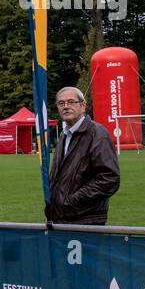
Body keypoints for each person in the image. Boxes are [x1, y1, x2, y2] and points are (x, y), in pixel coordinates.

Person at [46, 86, 120, 225]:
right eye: (61, 103)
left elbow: (109, 179)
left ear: (83, 105)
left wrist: (70, 202)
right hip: (61, 218)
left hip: (84, 220)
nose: (66, 107)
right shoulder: (63, 136)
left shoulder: (97, 134)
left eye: (71, 102)